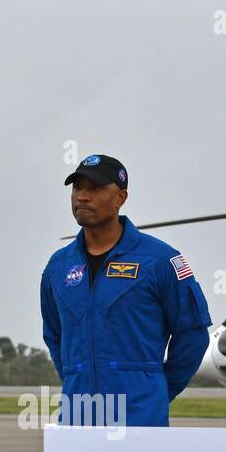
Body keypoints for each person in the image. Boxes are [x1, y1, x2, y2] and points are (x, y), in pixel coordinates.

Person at [40, 154, 212, 427]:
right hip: (77, 421)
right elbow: (54, 335)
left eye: (94, 188)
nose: (82, 196)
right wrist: (77, 379)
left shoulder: (160, 260)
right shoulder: (58, 267)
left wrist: (158, 389)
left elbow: (192, 334)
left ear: (121, 197)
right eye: (77, 188)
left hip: (140, 418)